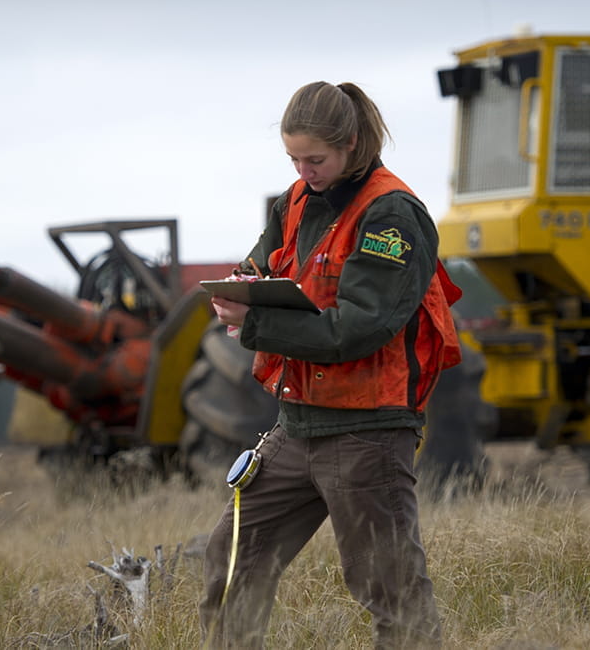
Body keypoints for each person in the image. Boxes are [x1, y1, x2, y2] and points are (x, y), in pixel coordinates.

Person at [198, 81, 462, 648]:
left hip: (367, 431)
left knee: (389, 587)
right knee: (234, 555)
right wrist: (242, 287)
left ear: (351, 145)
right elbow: (259, 264)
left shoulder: (392, 216)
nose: (303, 171)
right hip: (297, 425)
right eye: (293, 159)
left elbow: (359, 329)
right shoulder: (294, 201)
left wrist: (255, 322)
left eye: (314, 160)